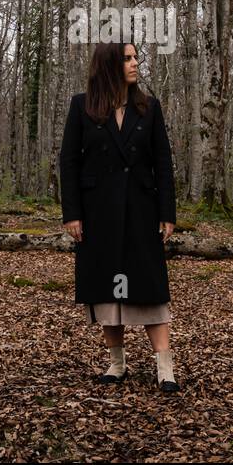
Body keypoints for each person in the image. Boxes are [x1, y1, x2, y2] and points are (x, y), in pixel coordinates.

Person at [59, 40, 179, 392]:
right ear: (109, 65)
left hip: (142, 211)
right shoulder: (82, 106)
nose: (135, 63)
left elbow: (163, 164)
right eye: (127, 58)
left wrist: (167, 213)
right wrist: (73, 213)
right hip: (98, 215)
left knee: (150, 289)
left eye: (135, 57)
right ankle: (117, 363)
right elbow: (69, 162)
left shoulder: (149, 108)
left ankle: (165, 368)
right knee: (106, 293)